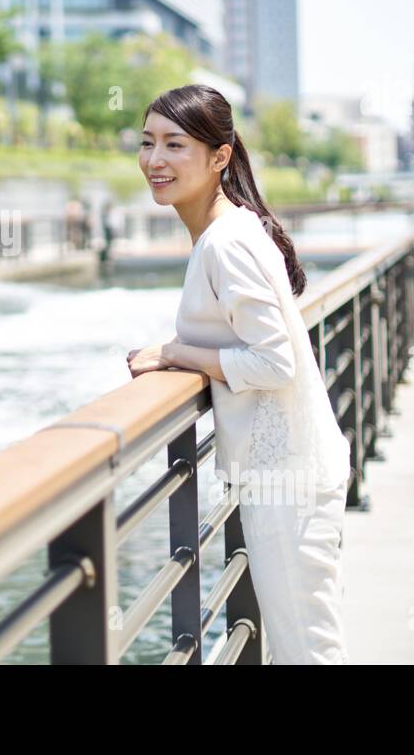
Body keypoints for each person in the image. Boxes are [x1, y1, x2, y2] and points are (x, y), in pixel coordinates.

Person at [126, 84, 352, 665]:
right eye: (147, 143)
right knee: (301, 646)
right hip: (289, 471)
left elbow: (273, 360)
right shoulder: (231, 229)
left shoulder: (224, 242)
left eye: (175, 145)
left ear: (219, 156)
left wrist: (180, 356)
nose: (155, 160)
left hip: (289, 480)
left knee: (308, 652)